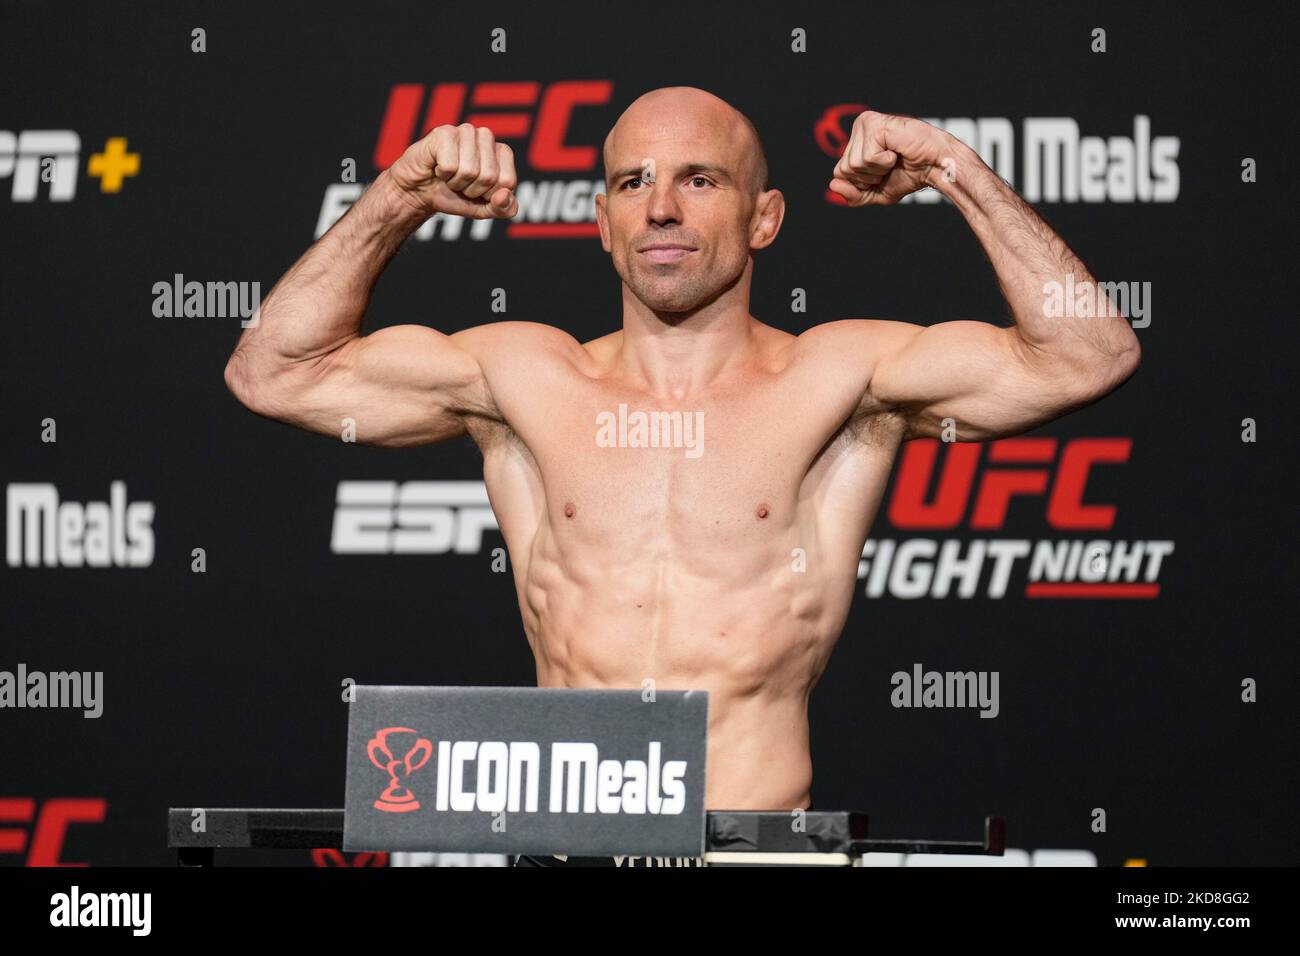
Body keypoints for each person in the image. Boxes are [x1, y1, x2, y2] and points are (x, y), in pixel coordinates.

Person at [223, 87, 1139, 846]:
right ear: (602, 222)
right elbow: (272, 371)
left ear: (764, 217)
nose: (661, 207)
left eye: (700, 180)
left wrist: (952, 166)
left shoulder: (841, 377)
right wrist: (401, 193)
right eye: (632, 183)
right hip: (557, 845)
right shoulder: (521, 376)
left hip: (757, 849)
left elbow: (1086, 356)